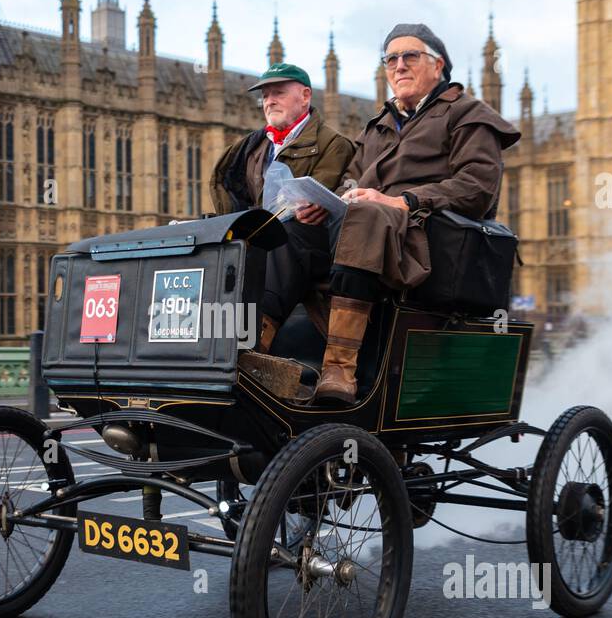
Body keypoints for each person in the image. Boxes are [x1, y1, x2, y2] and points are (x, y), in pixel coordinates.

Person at [305, 23, 522, 404]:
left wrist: (403, 201)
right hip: (369, 240)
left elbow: (477, 188)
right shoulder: (379, 126)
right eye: (391, 59)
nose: (399, 65)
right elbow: (351, 177)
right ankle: (257, 357)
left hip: (430, 245)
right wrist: (337, 197)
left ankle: (340, 369)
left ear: (438, 66)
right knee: (284, 231)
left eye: (410, 56)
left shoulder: (469, 114)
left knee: (369, 215)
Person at [209, 62, 354, 352]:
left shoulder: (334, 144)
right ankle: (212, 343)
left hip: (309, 241)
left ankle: (250, 342)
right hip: (264, 236)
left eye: (278, 93)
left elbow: (319, 199)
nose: (269, 100)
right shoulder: (252, 147)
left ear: (305, 96)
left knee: (281, 236)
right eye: (265, 95)